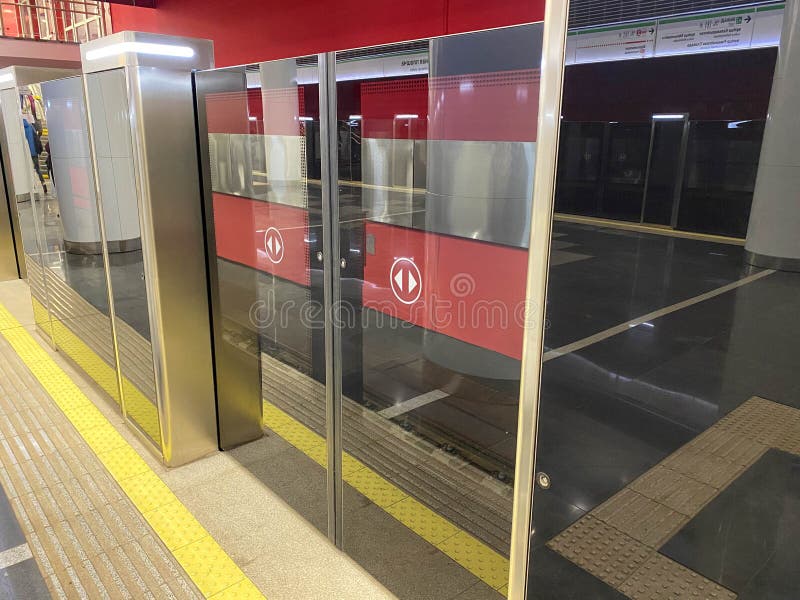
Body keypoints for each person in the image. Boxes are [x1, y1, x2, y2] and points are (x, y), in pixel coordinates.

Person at [23, 119, 46, 193]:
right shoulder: (31, 126)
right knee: (38, 168)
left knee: (28, 168)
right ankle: (43, 183)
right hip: (35, 152)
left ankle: (31, 186)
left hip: (27, 152)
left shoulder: (22, 129)